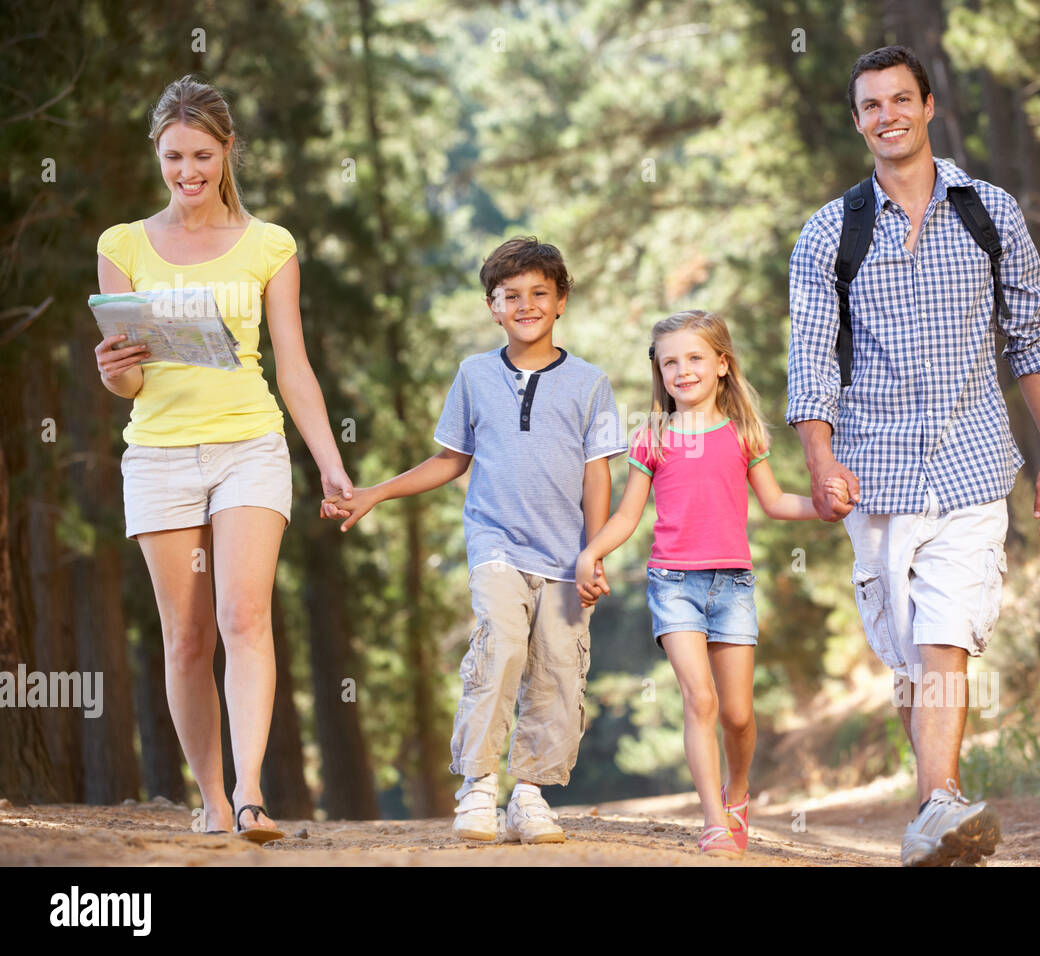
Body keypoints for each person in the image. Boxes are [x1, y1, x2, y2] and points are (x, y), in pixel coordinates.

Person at [786, 46, 1040, 866]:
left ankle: (938, 803)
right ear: (857, 121)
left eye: (900, 100)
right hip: (876, 479)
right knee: (912, 659)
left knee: (946, 636)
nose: (888, 117)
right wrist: (820, 460)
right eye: (871, 106)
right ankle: (931, 809)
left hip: (976, 465)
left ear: (929, 106)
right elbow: (812, 364)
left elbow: (1032, 338)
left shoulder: (990, 211)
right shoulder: (828, 232)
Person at [93, 75, 355, 843]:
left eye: (203, 155)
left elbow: (294, 366)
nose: (188, 172)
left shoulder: (270, 246)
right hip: (160, 454)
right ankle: (208, 796)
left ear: (228, 150)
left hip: (249, 443)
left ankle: (249, 793)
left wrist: (330, 464)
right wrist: (115, 373)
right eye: (174, 156)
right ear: (158, 153)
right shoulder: (122, 245)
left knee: (244, 616)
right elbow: (129, 377)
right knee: (187, 636)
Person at [323, 237, 625, 844]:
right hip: (497, 544)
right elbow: (451, 459)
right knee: (502, 645)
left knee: (560, 670)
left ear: (561, 300)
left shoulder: (591, 383)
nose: (526, 304)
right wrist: (376, 492)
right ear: (491, 306)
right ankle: (479, 784)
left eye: (540, 293)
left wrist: (593, 552)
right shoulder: (474, 375)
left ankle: (532, 795)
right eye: (511, 295)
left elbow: (599, 473)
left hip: (568, 556)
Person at [576, 310, 846, 858]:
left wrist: (823, 507)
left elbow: (773, 503)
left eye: (695, 358)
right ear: (659, 370)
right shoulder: (651, 436)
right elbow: (628, 517)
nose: (683, 370)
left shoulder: (743, 432)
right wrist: (592, 552)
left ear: (722, 364)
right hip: (672, 582)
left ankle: (737, 793)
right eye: (670, 361)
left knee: (738, 714)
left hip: (733, 585)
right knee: (699, 699)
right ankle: (714, 822)